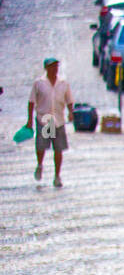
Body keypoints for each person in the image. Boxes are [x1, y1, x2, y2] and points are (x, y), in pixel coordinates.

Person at [27, 57, 74, 189]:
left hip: (58, 119)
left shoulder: (63, 83)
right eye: (52, 67)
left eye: (56, 66)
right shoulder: (39, 83)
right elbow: (31, 102)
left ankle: (57, 176)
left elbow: (69, 100)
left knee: (58, 149)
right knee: (41, 146)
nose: (55, 69)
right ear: (46, 68)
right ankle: (40, 165)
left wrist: (70, 112)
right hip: (45, 119)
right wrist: (30, 119)